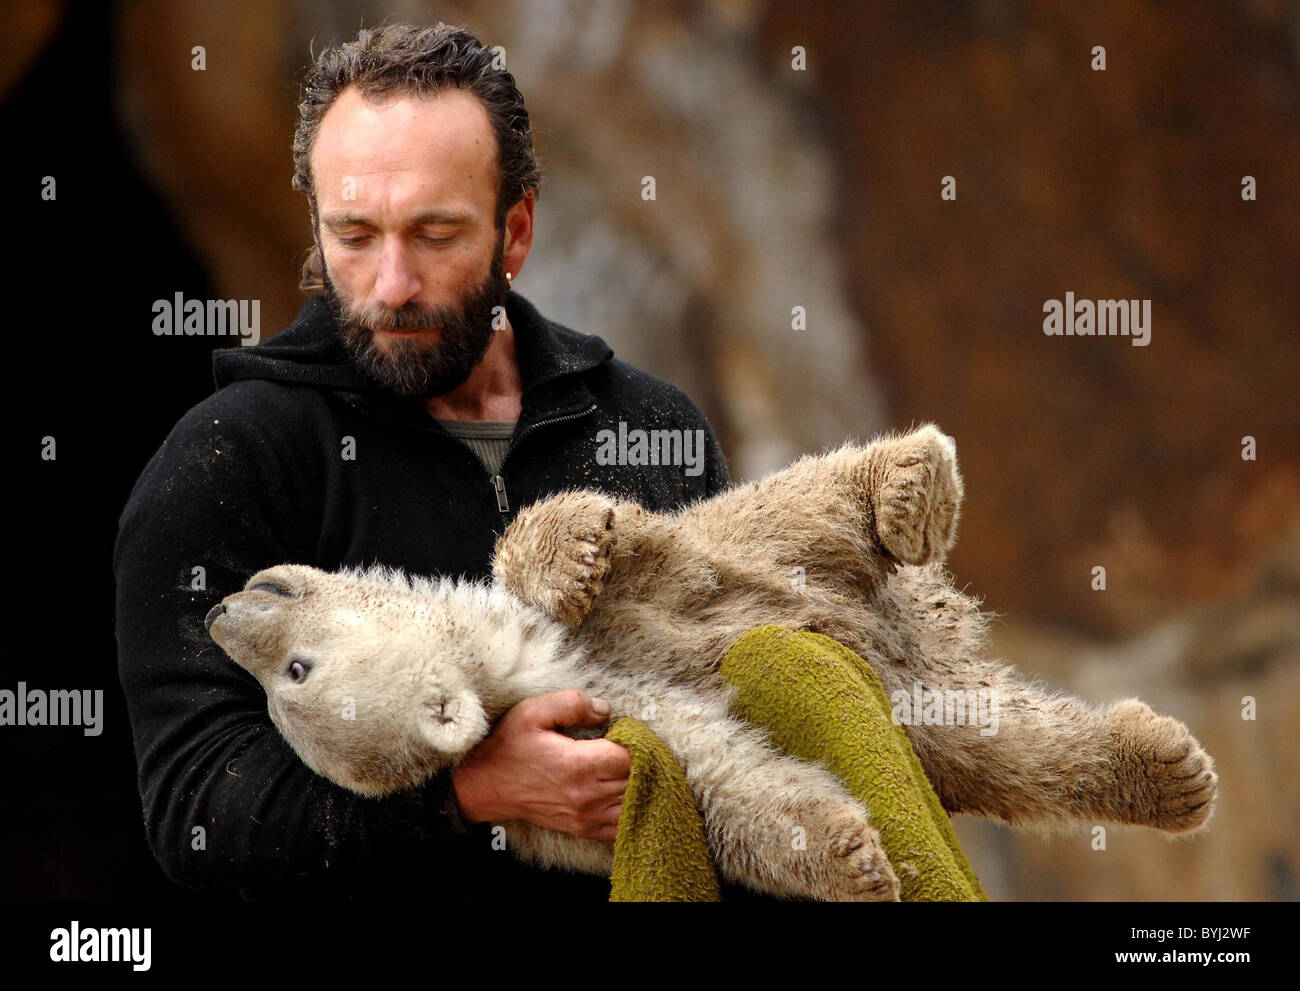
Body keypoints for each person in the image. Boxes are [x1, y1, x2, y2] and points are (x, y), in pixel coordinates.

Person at [114, 21, 730, 901]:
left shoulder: (648, 424)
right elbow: (197, 807)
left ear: (513, 233)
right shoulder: (228, 460)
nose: (391, 284)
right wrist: (471, 794)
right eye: (355, 235)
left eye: (435, 234)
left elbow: (739, 690)